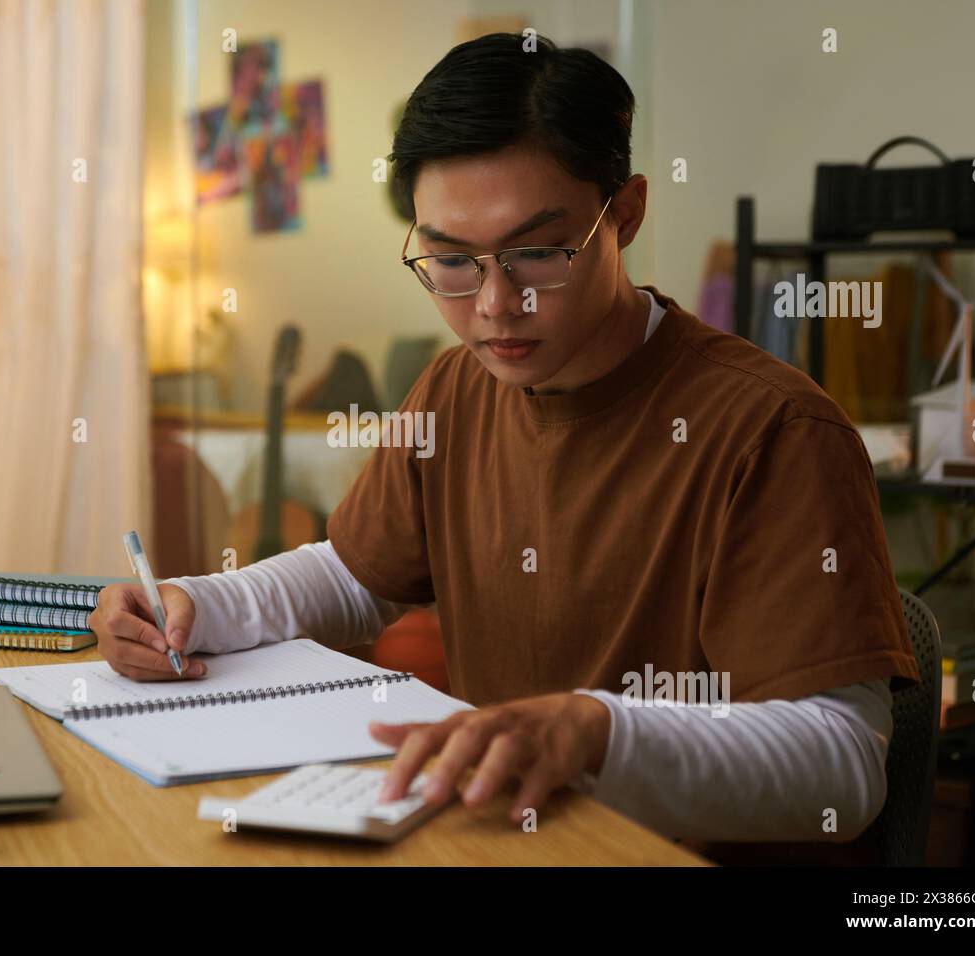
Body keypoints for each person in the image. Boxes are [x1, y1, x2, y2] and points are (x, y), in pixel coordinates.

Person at [89, 32, 920, 865]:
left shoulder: (773, 431)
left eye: (535, 254)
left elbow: (841, 768)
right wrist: (201, 606)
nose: (493, 304)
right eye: (451, 260)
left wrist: (598, 733)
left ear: (624, 214)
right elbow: (355, 575)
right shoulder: (456, 391)